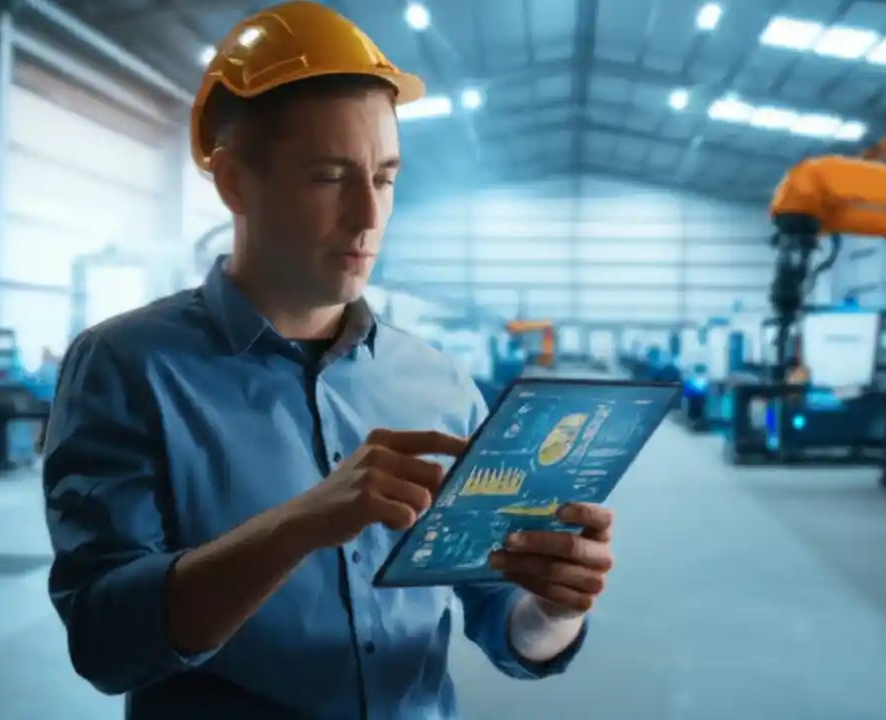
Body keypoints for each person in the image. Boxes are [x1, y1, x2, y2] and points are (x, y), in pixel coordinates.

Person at [41, 3, 615, 718]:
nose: (368, 217)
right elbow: (106, 641)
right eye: (328, 177)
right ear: (232, 183)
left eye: (384, 177)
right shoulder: (127, 368)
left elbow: (503, 620)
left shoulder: (439, 384)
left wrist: (553, 608)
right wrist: (301, 523)